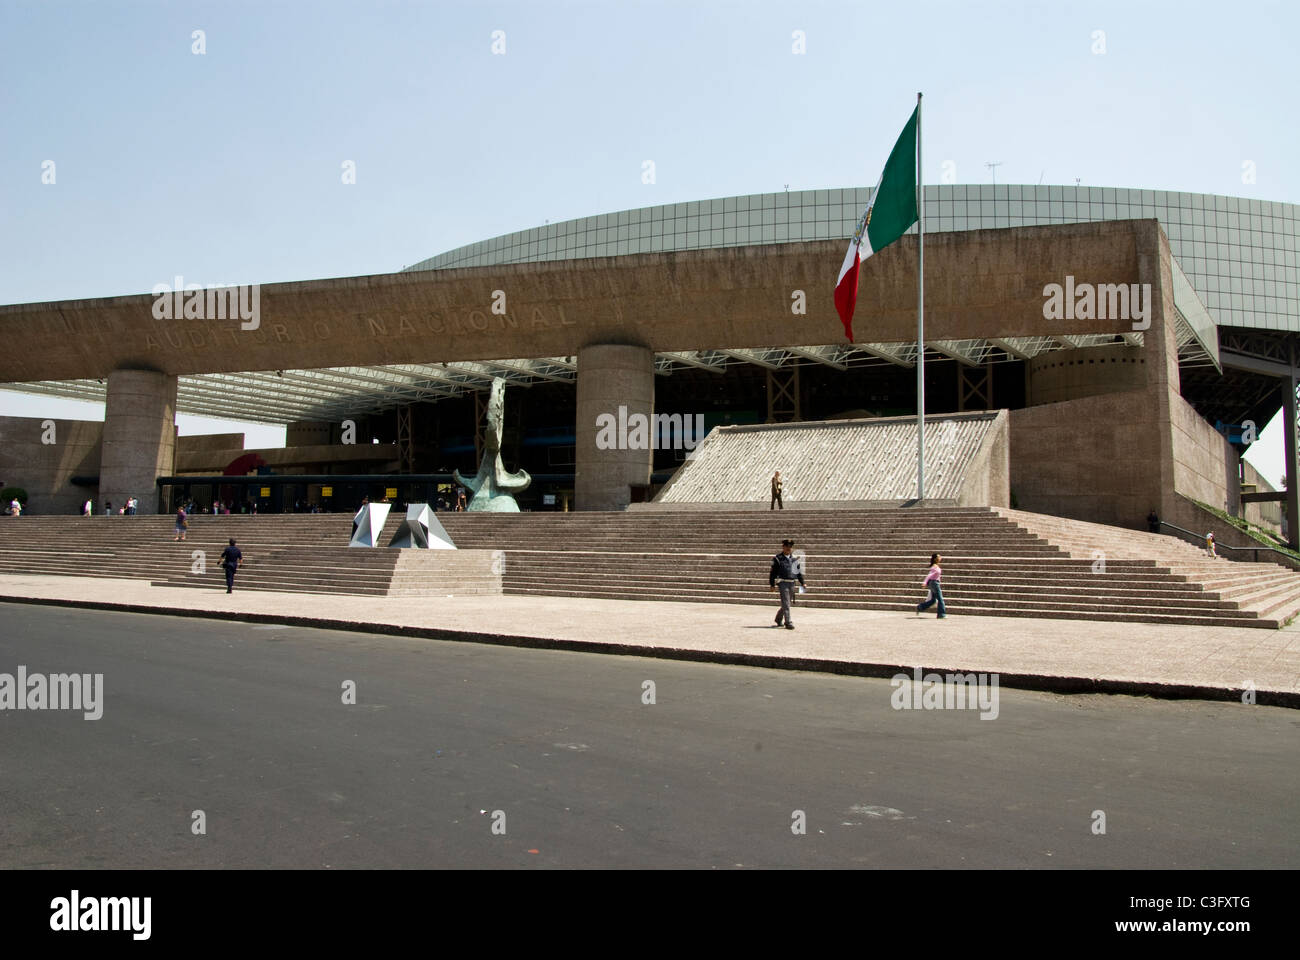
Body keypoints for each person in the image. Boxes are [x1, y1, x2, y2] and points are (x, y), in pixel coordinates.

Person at [768, 538, 805, 630]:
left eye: (790, 547)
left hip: (792, 583)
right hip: (783, 583)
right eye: (787, 546)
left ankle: (778, 618)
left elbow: (798, 573)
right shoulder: (777, 559)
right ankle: (788, 622)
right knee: (786, 602)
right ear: (783, 547)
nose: (788, 548)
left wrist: (803, 583)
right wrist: (772, 584)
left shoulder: (794, 559)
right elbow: (772, 573)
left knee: (786, 603)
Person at [917, 553, 946, 618]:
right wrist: (925, 582)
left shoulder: (936, 566)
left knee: (933, 600)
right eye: (939, 557)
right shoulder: (934, 566)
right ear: (936, 559)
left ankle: (921, 607)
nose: (940, 557)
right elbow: (929, 575)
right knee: (940, 599)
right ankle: (941, 614)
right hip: (934, 583)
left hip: (934, 583)